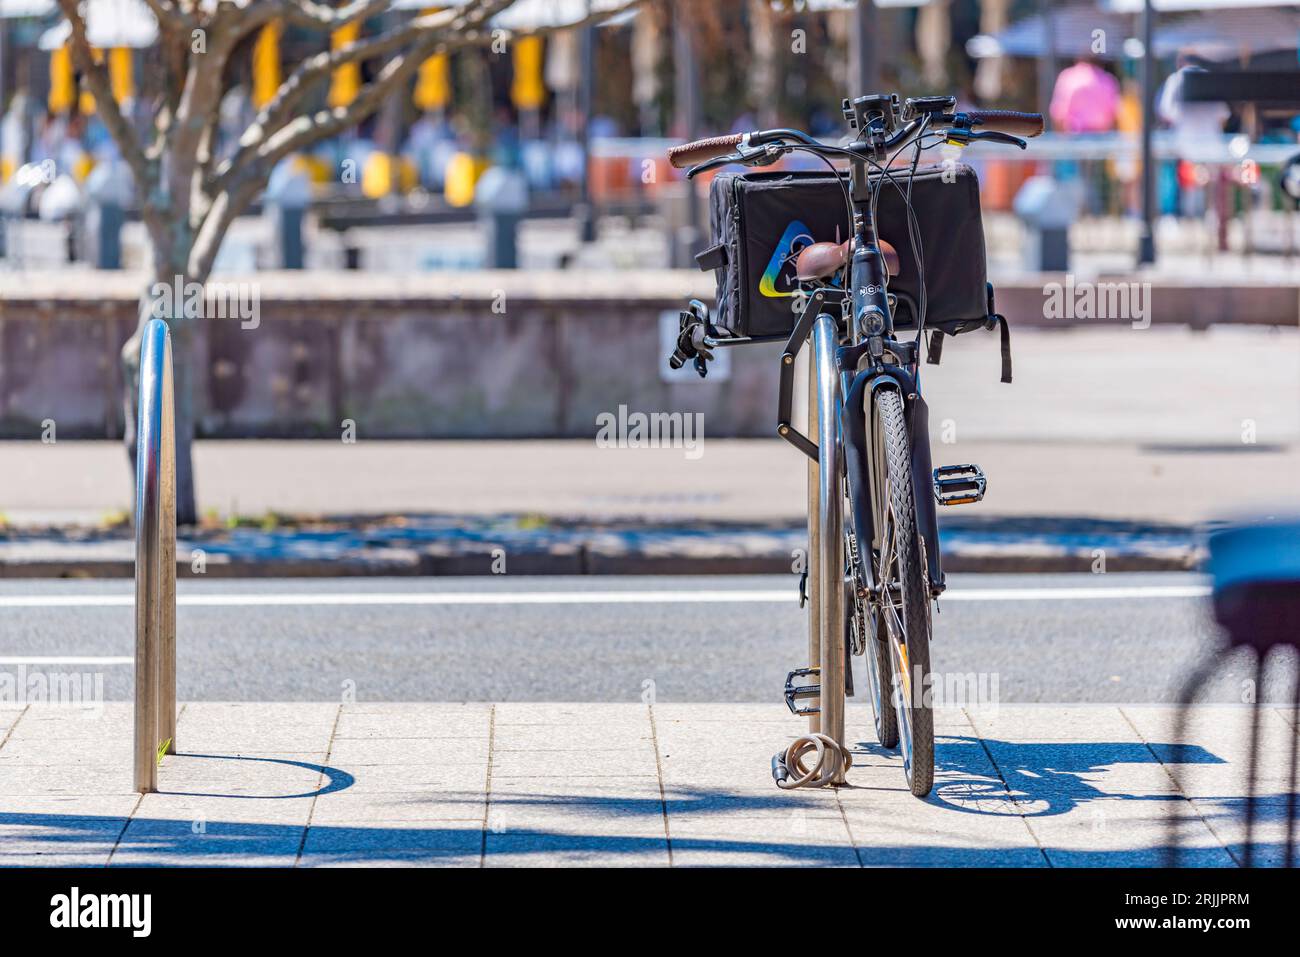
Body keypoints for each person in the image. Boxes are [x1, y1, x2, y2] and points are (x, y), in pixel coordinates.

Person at [1050, 58, 1120, 134]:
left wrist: (1061, 138)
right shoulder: (1108, 79)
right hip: (1101, 136)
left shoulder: (1069, 77)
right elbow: (1116, 113)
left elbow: (1059, 113)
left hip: (1075, 135)